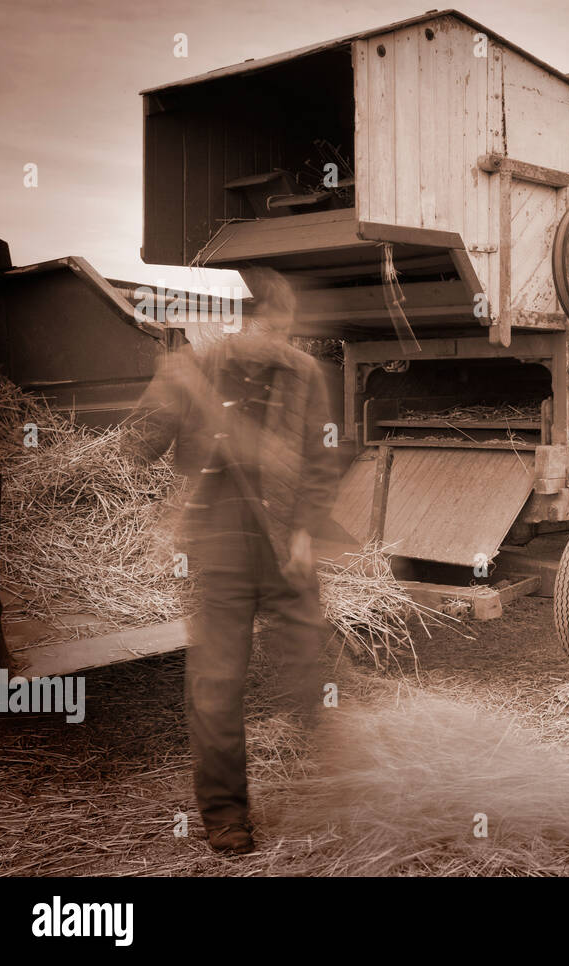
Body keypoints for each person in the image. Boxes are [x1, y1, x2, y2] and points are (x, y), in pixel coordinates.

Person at [129, 268, 338, 854]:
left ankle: (334, 782)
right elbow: (138, 446)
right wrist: (163, 388)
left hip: (283, 549)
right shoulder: (197, 369)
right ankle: (226, 815)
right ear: (237, 323)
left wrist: (303, 531)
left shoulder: (305, 376)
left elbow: (322, 459)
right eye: (268, 326)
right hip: (219, 550)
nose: (278, 338)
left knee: (314, 674)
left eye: (285, 328)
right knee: (218, 687)